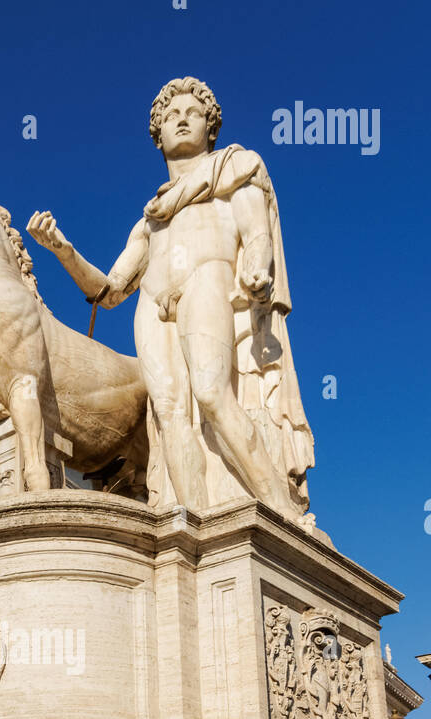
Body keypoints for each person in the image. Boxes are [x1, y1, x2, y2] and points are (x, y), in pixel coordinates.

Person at [27, 76, 315, 523]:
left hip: (208, 279)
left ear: (210, 127)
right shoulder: (150, 220)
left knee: (212, 394)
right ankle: (194, 526)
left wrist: (259, 265)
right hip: (152, 304)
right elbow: (108, 291)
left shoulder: (234, 171)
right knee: (169, 413)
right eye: (170, 116)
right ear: (157, 135)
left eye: (192, 113)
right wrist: (63, 249)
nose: (181, 120)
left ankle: (280, 512)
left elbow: (256, 230)